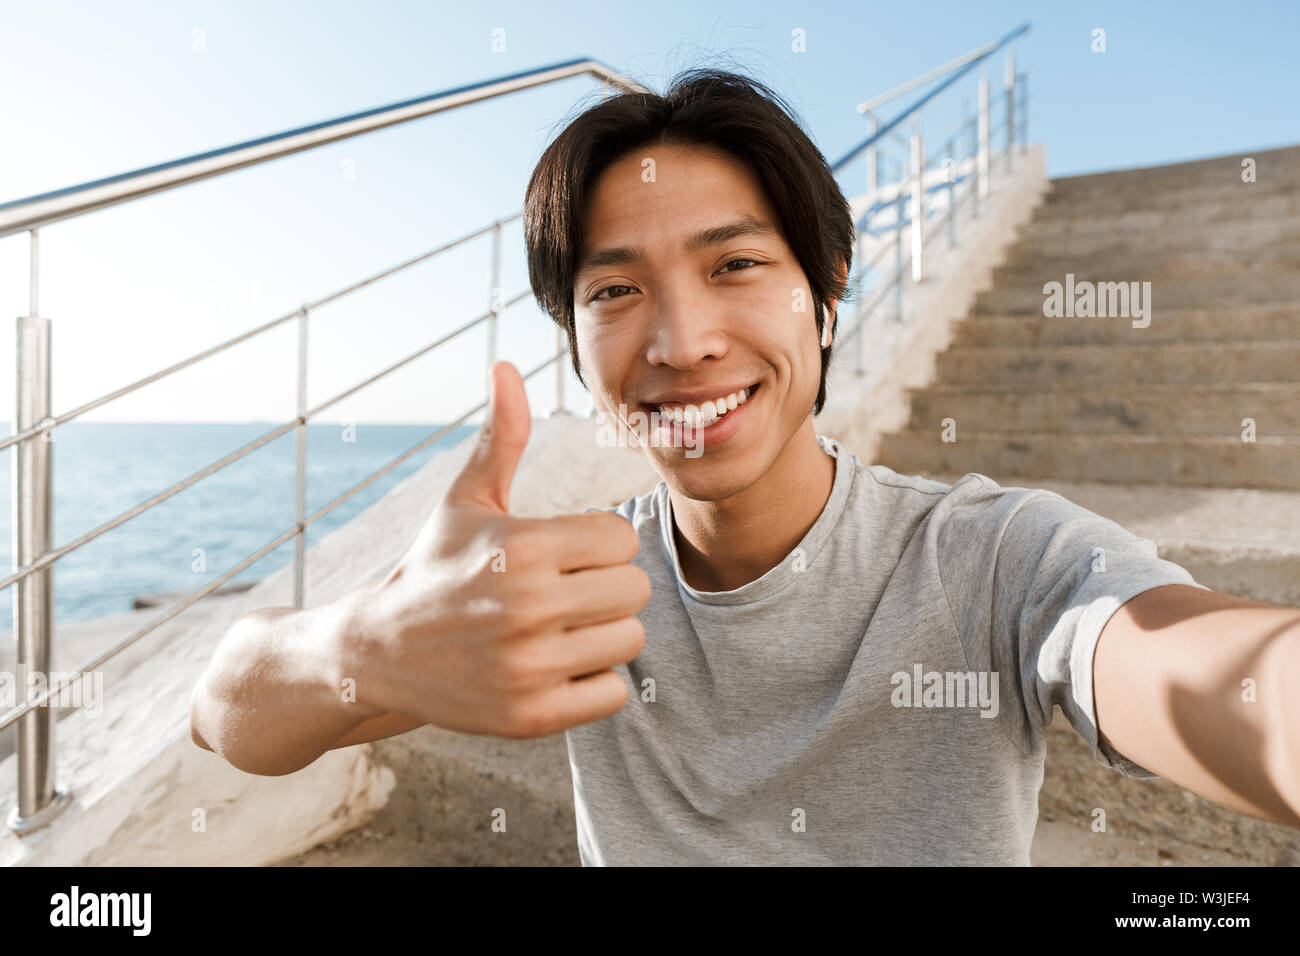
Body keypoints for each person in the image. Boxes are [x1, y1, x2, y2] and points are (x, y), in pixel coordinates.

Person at [190, 67, 1300, 865]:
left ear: (825, 295)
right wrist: (367, 649)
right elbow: (221, 710)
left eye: (734, 264)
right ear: (572, 343)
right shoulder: (569, 587)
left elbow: (1215, 676)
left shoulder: (994, 557)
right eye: (614, 291)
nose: (680, 341)